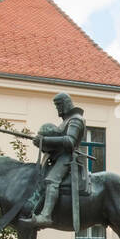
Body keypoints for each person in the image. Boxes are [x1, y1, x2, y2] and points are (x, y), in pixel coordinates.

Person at [32, 93, 86, 229]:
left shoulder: (76, 120)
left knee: (52, 180)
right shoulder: (64, 122)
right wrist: (43, 144)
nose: (58, 109)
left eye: (59, 105)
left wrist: (46, 140)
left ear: (66, 104)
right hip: (57, 157)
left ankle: (46, 216)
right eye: (56, 106)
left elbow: (70, 142)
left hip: (68, 158)